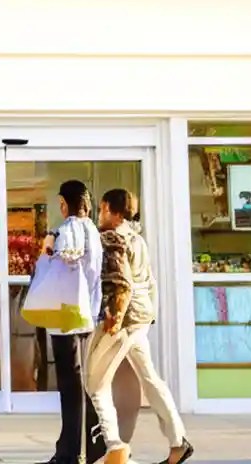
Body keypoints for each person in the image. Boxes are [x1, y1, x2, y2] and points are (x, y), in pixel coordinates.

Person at [86, 190, 193, 464]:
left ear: (112, 209)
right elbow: (149, 280)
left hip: (122, 320)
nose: (100, 214)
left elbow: (123, 284)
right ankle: (178, 440)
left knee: (95, 383)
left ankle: (115, 446)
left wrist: (114, 320)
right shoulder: (138, 238)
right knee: (150, 379)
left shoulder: (113, 239)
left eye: (102, 208)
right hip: (141, 319)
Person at [39, 180, 105, 464]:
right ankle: (82, 447)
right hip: (86, 317)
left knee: (69, 386)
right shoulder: (93, 230)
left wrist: (47, 249)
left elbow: (59, 271)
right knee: (78, 383)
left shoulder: (67, 231)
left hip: (66, 317)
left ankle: (71, 452)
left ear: (63, 203)